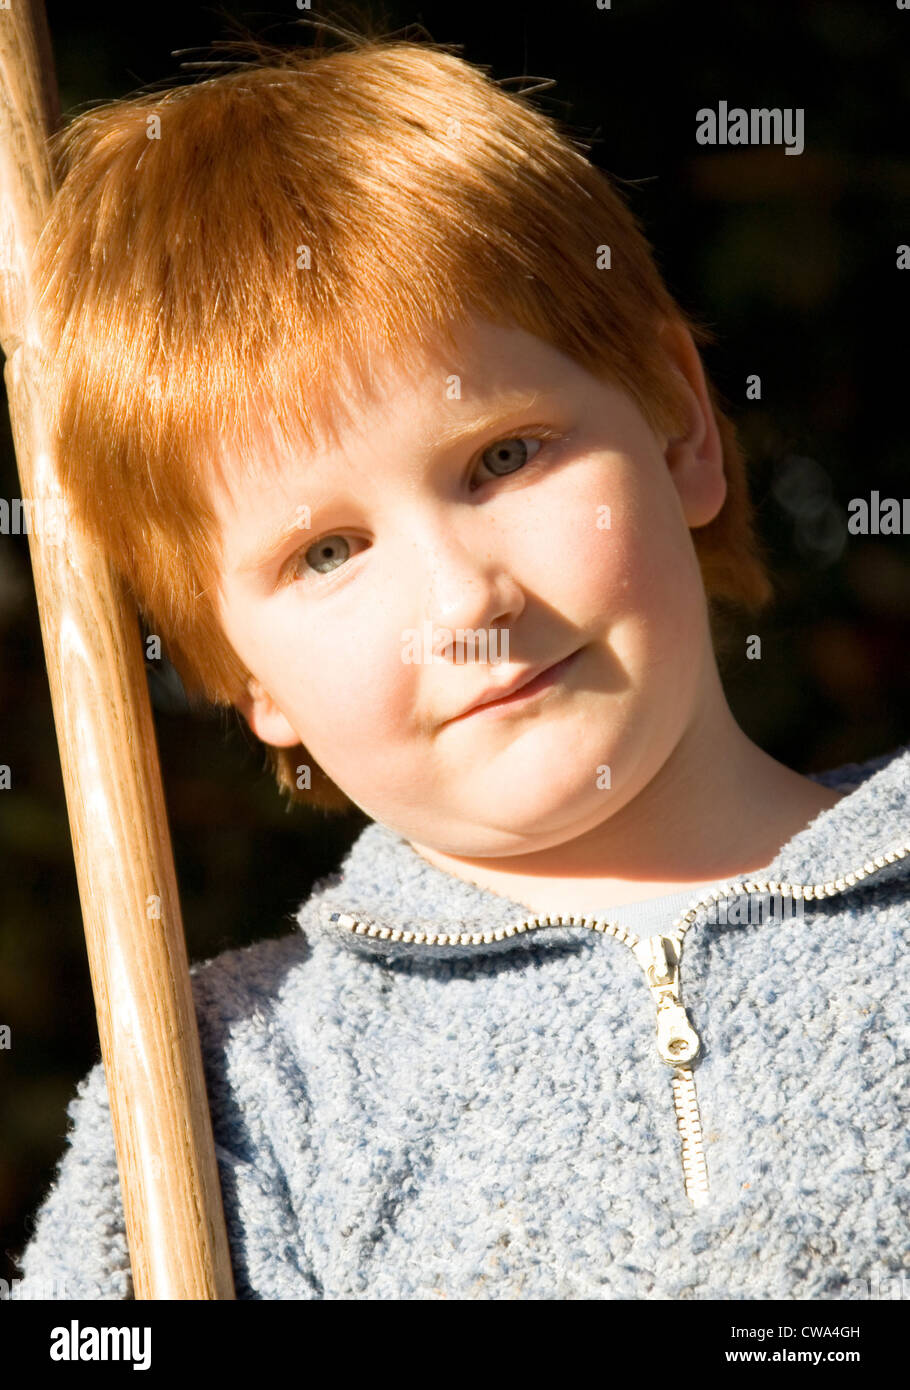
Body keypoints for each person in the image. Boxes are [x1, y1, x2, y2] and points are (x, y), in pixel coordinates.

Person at [5, 29, 908, 1300]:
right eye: (326, 551)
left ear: (680, 423)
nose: (466, 599)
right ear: (240, 675)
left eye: (504, 458)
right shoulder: (228, 1105)